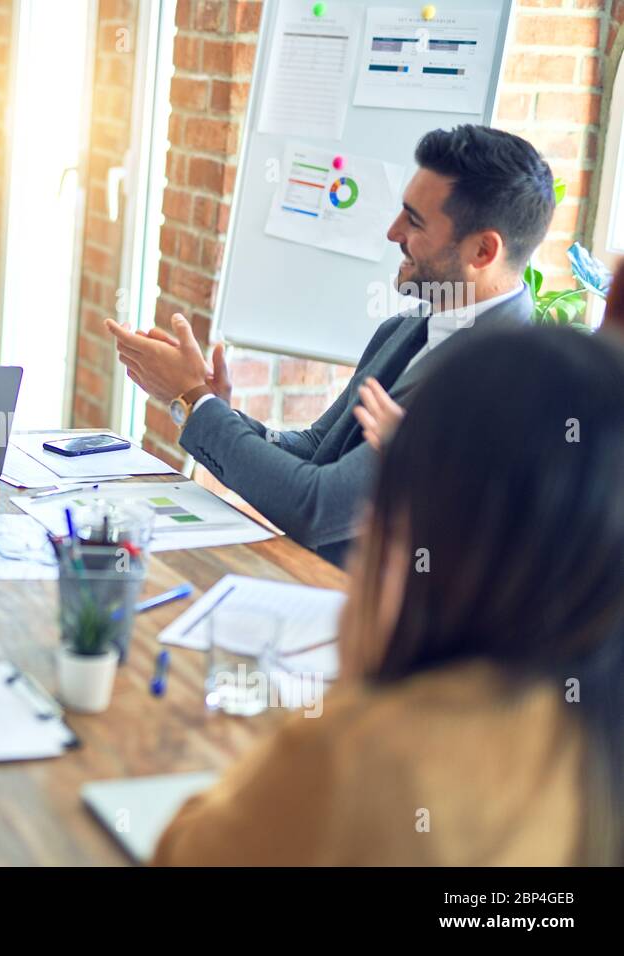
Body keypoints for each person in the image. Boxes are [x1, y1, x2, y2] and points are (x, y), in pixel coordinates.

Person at [155, 324, 624, 866]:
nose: (393, 234)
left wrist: (359, 692)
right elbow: (313, 448)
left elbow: (185, 855)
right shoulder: (583, 744)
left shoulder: (361, 754)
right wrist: (220, 413)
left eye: (391, 502)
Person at [108, 125, 554, 565]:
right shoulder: (411, 325)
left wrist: (195, 401)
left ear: (482, 251)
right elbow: (317, 448)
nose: (392, 232)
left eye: (414, 221)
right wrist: (206, 404)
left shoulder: (500, 381)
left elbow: (318, 508)